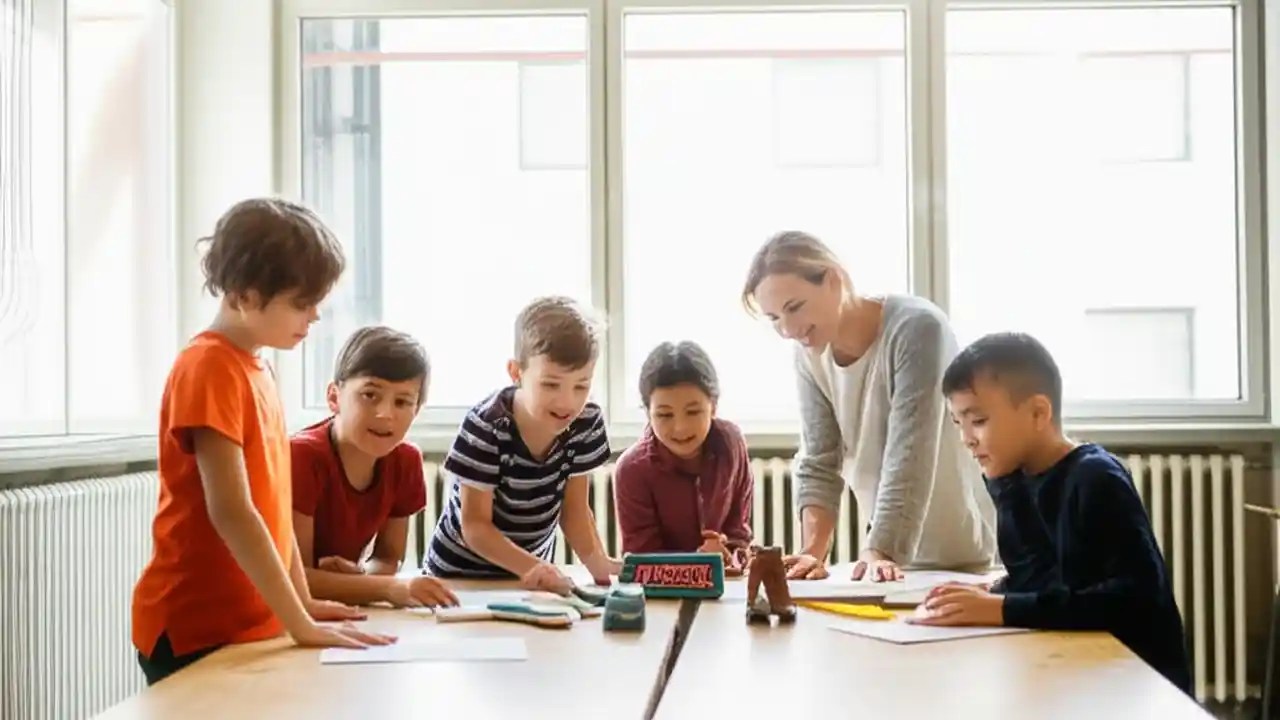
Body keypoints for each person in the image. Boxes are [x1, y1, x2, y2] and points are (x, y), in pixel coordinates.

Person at [131, 198, 394, 686]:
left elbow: (273, 507)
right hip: (196, 626)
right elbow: (233, 511)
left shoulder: (258, 368)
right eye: (301, 302)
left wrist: (303, 603)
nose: (315, 316)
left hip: (251, 620)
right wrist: (300, 623)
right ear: (245, 296)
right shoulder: (208, 367)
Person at [920, 332, 1192, 694]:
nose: (966, 439)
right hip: (1076, 669)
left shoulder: (1095, 476)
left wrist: (1000, 608)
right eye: (959, 424)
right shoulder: (1015, 476)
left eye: (979, 421)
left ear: (1038, 413)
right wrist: (995, 591)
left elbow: (1135, 599)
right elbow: (1038, 577)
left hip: (1134, 683)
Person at [742, 230, 996, 582]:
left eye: (794, 307)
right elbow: (820, 460)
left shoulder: (917, 328)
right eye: (773, 318)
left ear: (834, 280)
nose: (787, 330)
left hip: (961, 554)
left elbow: (910, 452)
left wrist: (880, 551)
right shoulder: (808, 355)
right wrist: (811, 553)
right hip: (891, 561)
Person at [425, 296, 620, 592]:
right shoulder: (487, 426)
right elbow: (475, 526)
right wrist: (536, 568)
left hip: (528, 579)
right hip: (457, 576)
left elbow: (575, 512)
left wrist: (600, 568)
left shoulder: (586, 423)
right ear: (516, 372)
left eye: (581, 385)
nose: (567, 402)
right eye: (550, 384)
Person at [292, 326, 458, 609]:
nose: (385, 414)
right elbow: (295, 581)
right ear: (334, 397)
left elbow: (388, 558)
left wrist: (360, 578)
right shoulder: (301, 456)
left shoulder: (405, 460)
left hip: (336, 607)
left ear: (416, 410)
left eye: (402, 402)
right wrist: (386, 588)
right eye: (370, 395)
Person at [614, 341, 753, 568]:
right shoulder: (632, 470)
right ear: (648, 413)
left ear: (713, 406)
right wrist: (698, 563)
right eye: (664, 415)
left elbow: (739, 535)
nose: (680, 428)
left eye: (693, 412)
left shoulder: (731, 444)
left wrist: (730, 557)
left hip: (726, 580)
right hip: (660, 587)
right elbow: (642, 559)